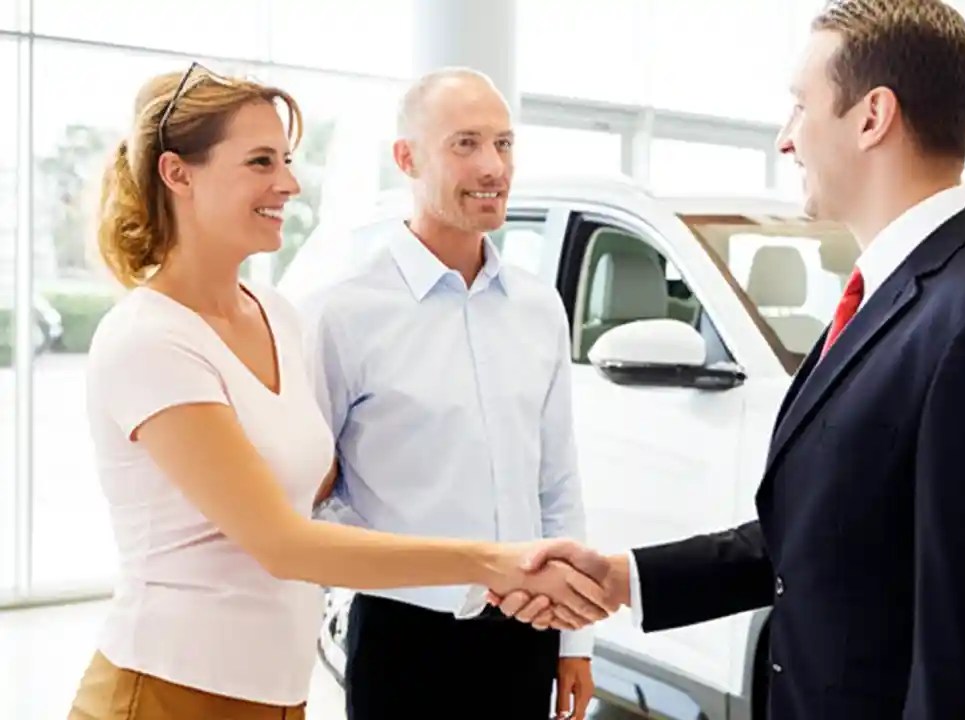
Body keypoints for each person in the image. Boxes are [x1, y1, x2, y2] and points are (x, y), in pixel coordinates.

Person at [491, 1, 965, 718]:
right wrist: (625, 578)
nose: (786, 140)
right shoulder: (890, 294)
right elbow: (825, 532)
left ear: (872, 117)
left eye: (800, 107)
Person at [69, 63, 609, 720]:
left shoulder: (276, 316)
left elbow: (322, 486)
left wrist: (560, 620)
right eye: (262, 161)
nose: (291, 184)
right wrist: (495, 564)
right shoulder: (149, 338)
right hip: (168, 686)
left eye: (288, 161)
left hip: (277, 694)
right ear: (179, 174)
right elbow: (285, 541)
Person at [292, 68, 596, 720]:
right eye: (465, 144)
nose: (493, 167)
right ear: (407, 157)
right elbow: (308, 498)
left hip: (528, 629)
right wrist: (427, 580)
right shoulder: (342, 314)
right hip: (403, 636)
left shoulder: (539, 309)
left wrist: (575, 636)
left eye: (504, 143)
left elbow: (557, 485)